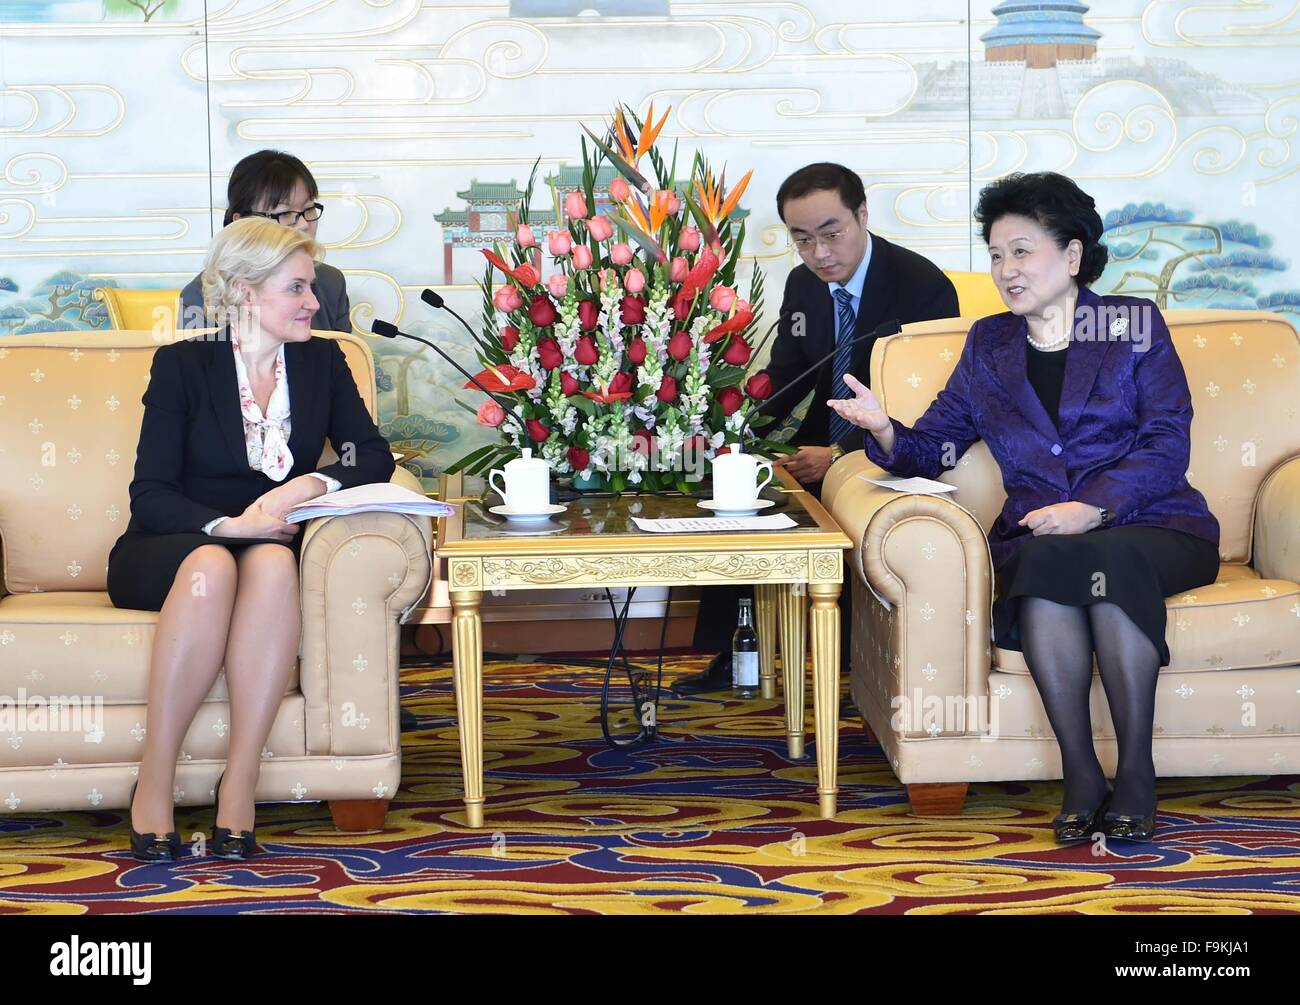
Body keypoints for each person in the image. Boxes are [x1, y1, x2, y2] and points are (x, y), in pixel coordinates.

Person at [827, 171, 1220, 844]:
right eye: (997, 253)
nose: (1006, 269)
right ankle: (1081, 772)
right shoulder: (990, 345)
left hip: (1153, 525)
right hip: (1047, 541)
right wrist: (884, 427)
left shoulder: (1130, 324)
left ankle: (1136, 772)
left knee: (1104, 558)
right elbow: (938, 445)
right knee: (1043, 567)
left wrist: (1090, 507)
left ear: (1071, 256)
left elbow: (1165, 443)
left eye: (1023, 250)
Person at [109, 217, 395, 861]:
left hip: (266, 544)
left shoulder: (324, 361)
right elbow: (149, 494)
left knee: (270, 564)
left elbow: (369, 455)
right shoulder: (182, 364)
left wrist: (302, 489)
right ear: (243, 292)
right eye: (296, 289)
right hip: (171, 547)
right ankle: (153, 779)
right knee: (217, 562)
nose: (314, 303)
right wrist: (230, 525)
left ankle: (238, 783)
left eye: (312, 287)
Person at [678, 163, 959, 693]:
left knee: (852, 502)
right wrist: (730, 432)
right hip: (818, 437)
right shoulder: (804, 284)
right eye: (802, 239)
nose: (820, 253)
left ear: (862, 216)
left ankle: (859, 667)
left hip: (892, 445)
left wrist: (839, 452)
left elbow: (930, 401)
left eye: (832, 234)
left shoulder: (921, 286)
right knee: (735, 495)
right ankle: (738, 651)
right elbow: (787, 374)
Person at [181, 149, 351, 333]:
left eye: (309, 209)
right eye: (285, 213)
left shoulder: (331, 283)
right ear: (241, 222)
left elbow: (346, 357)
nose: (303, 224)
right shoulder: (201, 296)